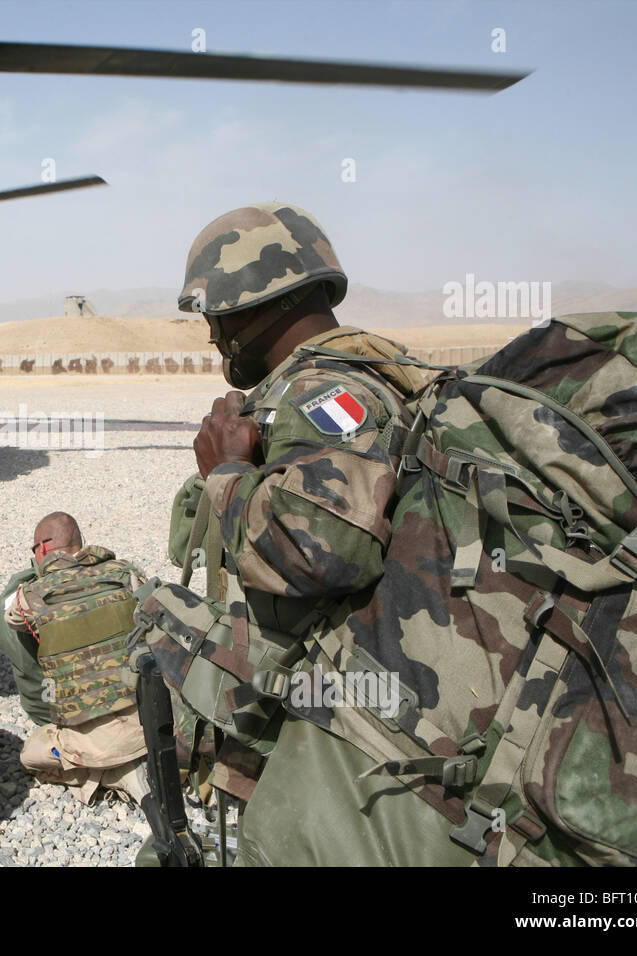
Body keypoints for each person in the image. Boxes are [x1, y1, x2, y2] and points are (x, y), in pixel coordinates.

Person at [176, 201, 431, 862]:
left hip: (331, 714)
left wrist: (227, 471)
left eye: (213, 316)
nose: (211, 335)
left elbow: (321, 550)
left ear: (246, 308)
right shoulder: (362, 375)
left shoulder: (326, 394)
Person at [1, 512, 149, 805]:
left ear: (42, 549)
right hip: (151, 726)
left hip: (89, 745)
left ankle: (111, 775)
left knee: (31, 755)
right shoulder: (126, 573)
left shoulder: (32, 594)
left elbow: (11, 617)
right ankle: (136, 766)